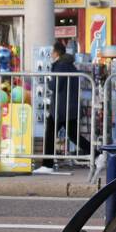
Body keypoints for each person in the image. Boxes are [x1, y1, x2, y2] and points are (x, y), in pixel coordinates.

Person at [38, 41, 92, 171]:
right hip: (68, 107)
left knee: (50, 133)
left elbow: (55, 85)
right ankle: (97, 154)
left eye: (52, 52)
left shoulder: (60, 65)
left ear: (56, 52)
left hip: (60, 108)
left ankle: (47, 164)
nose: (50, 54)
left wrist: (49, 80)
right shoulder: (69, 65)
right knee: (73, 135)